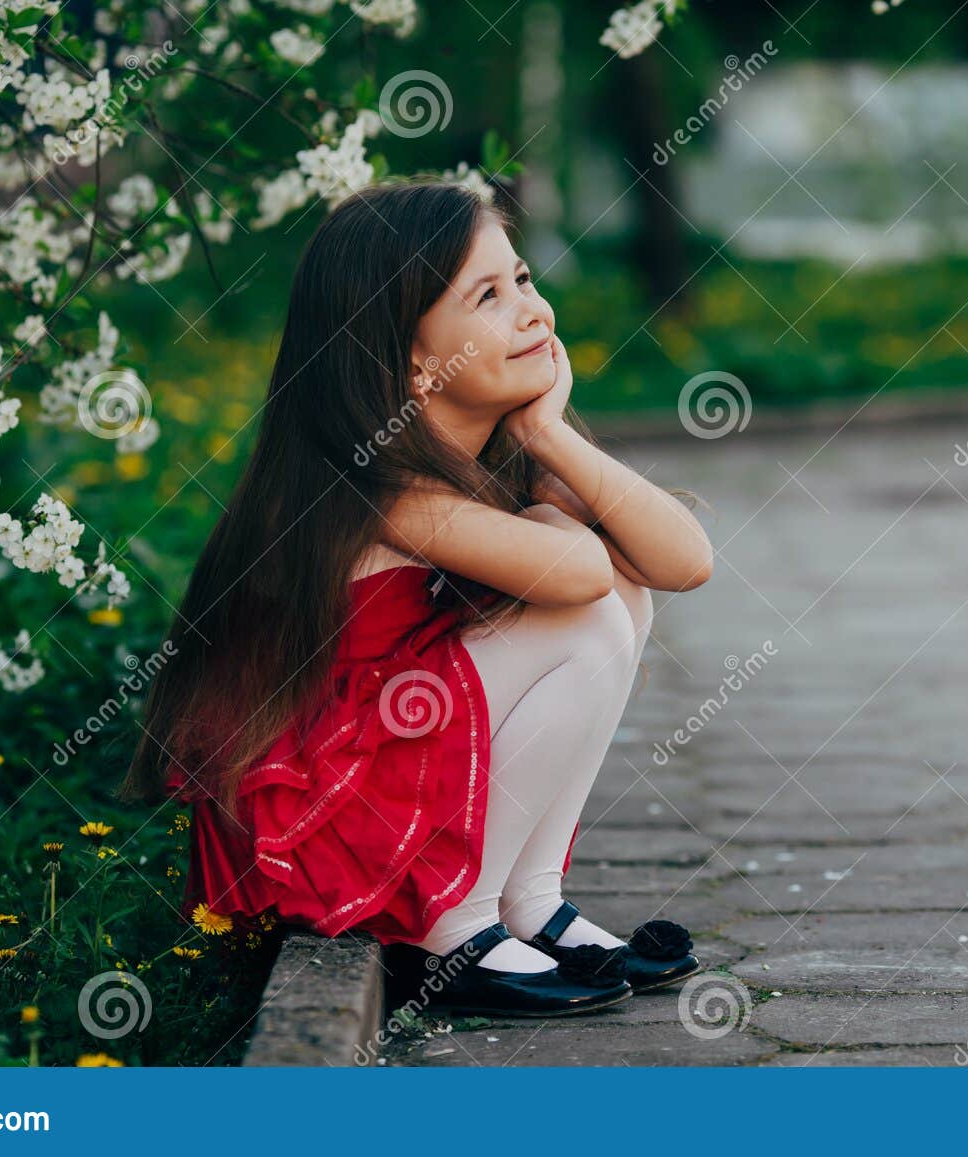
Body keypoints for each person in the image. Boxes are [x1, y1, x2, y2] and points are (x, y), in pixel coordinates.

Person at [121, 177, 714, 1019]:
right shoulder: (385, 486)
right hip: (325, 811)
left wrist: (548, 438)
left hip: (392, 755)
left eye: (525, 280)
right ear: (407, 355)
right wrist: (548, 459)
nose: (532, 311)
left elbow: (683, 562)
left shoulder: (491, 456)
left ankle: (528, 901)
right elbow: (577, 580)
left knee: (622, 581)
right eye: (487, 295)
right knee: (586, 601)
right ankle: (447, 927)